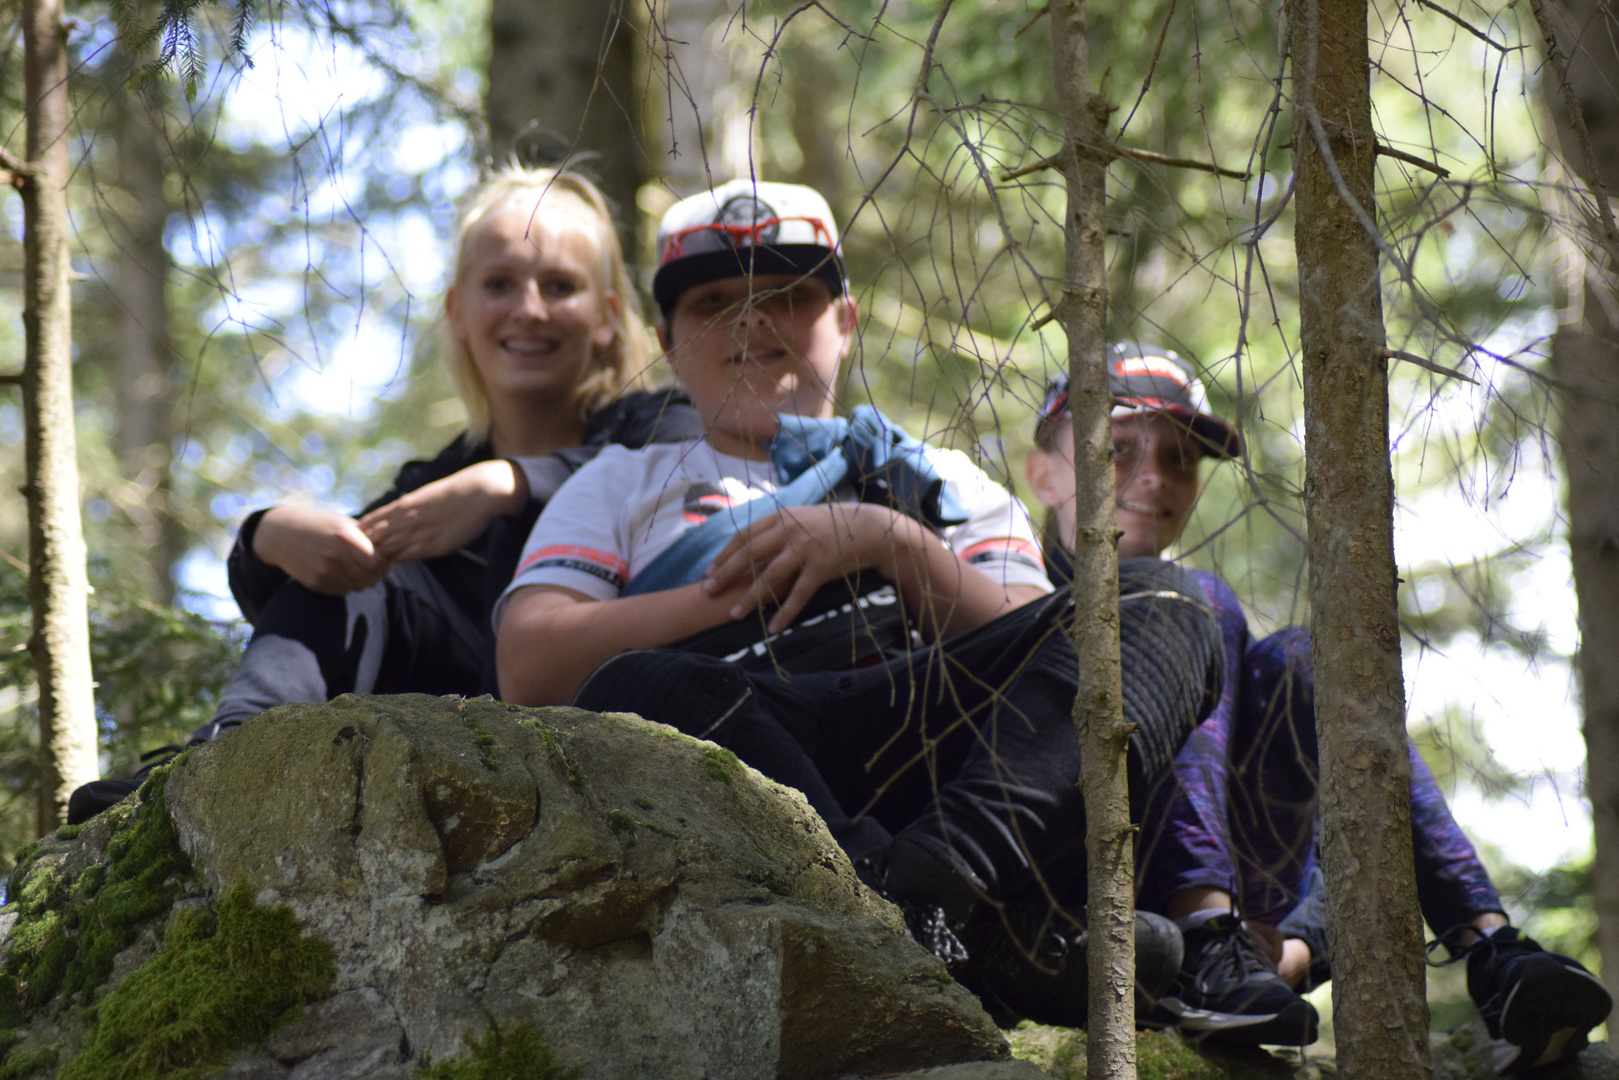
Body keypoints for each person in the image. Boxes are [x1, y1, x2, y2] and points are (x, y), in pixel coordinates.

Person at [493, 180, 1224, 1027]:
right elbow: (530, 662)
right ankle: (965, 936)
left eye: (785, 295)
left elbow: (1039, 640)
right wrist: (731, 587)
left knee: (1166, 601)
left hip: (934, 755)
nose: (749, 320)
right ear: (663, 338)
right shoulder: (620, 482)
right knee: (648, 689)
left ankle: (925, 888)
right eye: (713, 300)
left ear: (844, 319)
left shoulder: (941, 478)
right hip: (748, 733)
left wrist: (891, 543)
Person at [1025, 343, 1613, 1068]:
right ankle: (1207, 934)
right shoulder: (993, 594)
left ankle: (1491, 950)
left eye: (1180, 458)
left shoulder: (1213, 626)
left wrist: (1299, 946)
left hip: (1244, 948)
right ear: (1043, 471)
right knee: (1192, 603)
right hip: (1072, 910)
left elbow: (1340, 853)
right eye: (1115, 448)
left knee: (1303, 655)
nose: (1154, 476)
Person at [67, 164, 701, 825]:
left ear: (605, 319)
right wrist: (265, 537)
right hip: (450, 708)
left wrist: (510, 484)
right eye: (499, 284)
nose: (529, 308)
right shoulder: (434, 480)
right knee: (360, 565)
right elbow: (322, 596)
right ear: (457, 312)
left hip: (610, 699)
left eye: (560, 286)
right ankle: (230, 753)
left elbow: (679, 472)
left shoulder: (665, 423)